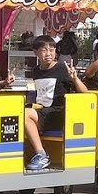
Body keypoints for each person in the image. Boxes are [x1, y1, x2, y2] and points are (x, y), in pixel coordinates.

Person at [24, 37, 88, 171]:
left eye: (51, 50)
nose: (48, 54)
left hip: (58, 113)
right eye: (44, 50)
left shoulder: (63, 68)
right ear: (36, 52)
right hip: (42, 111)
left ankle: (41, 155)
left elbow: (85, 92)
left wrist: (75, 78)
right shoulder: (36, 71)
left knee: (25, 115)